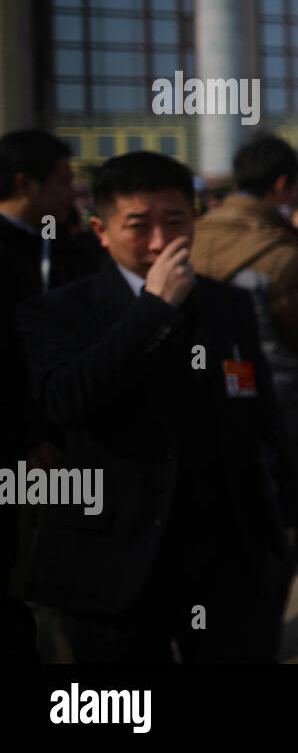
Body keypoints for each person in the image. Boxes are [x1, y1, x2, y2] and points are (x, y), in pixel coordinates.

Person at [14, 152, 290, 661]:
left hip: (225, 560)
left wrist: (276, 533)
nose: (160, 242)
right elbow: (68, 400)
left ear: (195, 220)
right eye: (138, 226)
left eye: (175, 222)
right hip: (110, 562)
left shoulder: (228, 305)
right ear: (101, 230)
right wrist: (153, 310)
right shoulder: (59, 310)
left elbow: (259, 414)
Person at [190, 135, 298, 575]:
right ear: (283, 184)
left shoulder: (194, 235)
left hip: (201, 391)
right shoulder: (282, 253)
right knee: (283, 503)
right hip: (275, 393)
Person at [0, 130, 96, 662]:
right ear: (24, 183)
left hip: (64, 446)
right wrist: (26, 436)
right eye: (64, 182)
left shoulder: (63, 246)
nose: (72, 193)